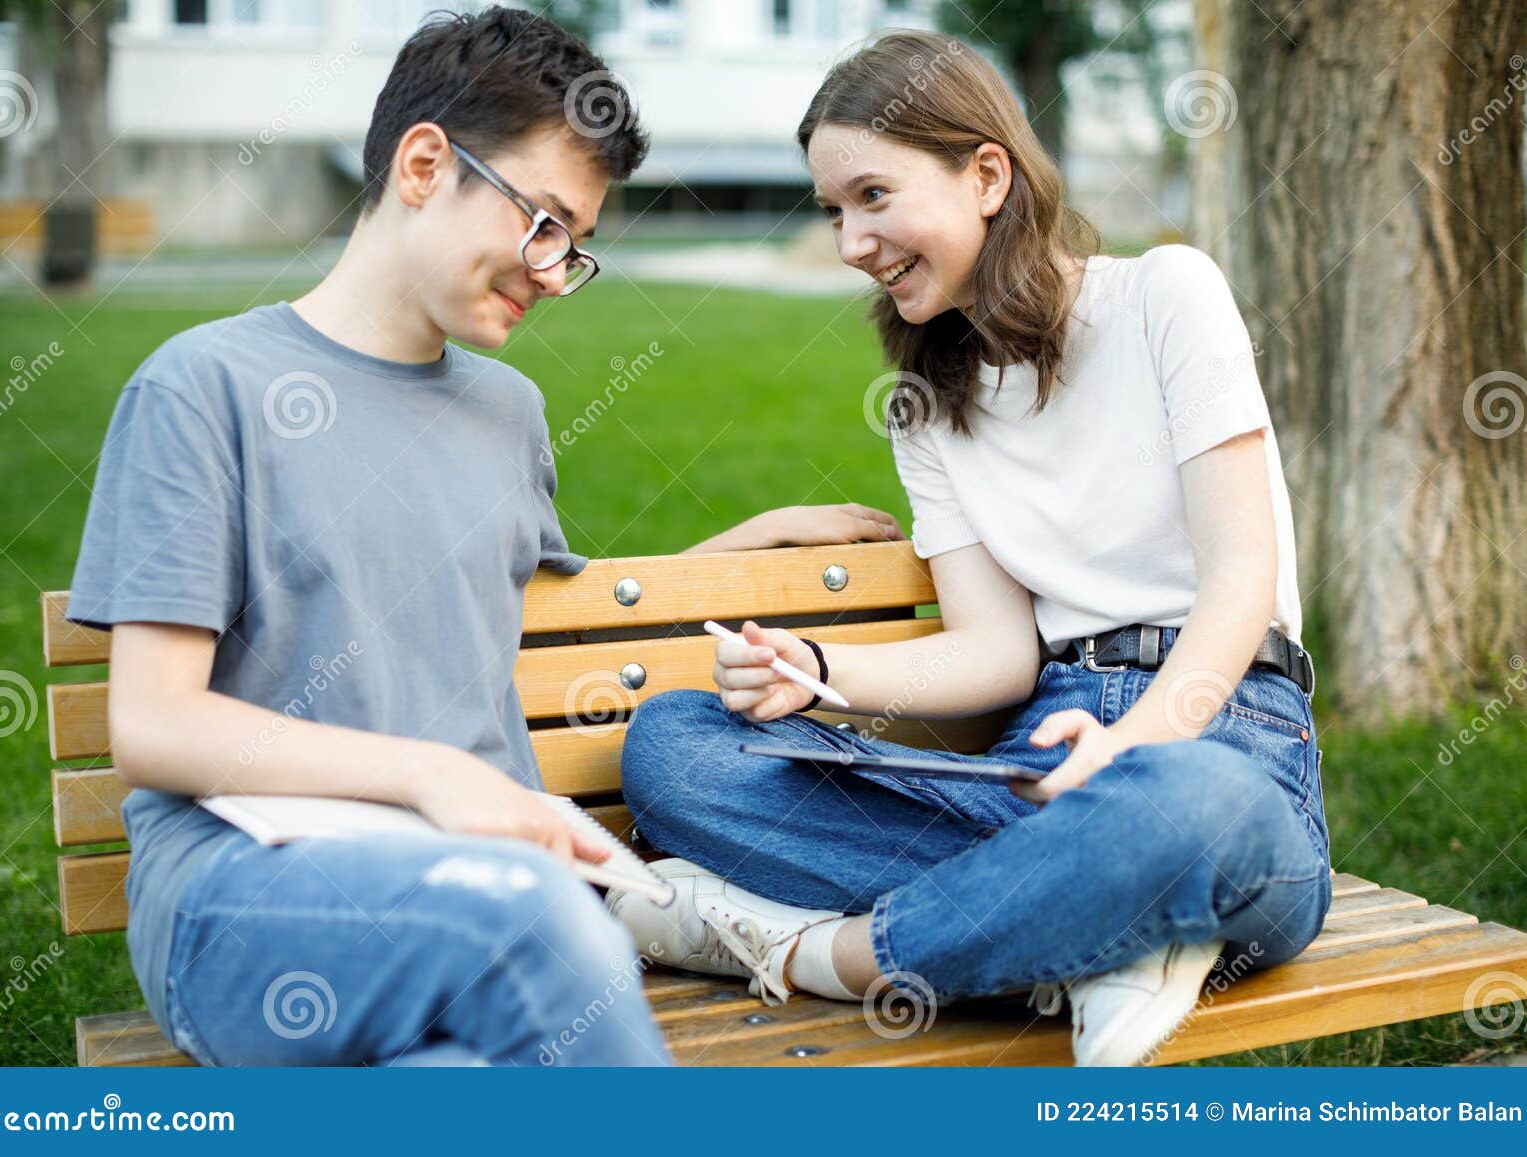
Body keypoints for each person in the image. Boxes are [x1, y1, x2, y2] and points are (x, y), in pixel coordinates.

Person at [65, 7, 899, 1068]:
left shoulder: (506, 411)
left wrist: (753, 544)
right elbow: (152, 721)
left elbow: (519, 609)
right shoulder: (203, 386)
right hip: (252, 889)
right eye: (543, 222)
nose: (554, 272)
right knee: (533, 923)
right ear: (423, 164)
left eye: (578, 247)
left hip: (476, 881)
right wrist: (431, 775)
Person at [606, 30, 1329, 1067]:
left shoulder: (1166, 295)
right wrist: (816, 672)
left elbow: (1240, 581)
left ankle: (826, 952)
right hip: (1032, 764)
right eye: (834, 211)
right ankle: (1099, 918)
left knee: (1182, 810)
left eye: (873, 196)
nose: (852, 239)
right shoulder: (928, 407)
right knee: (674, 745)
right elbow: (995, 651)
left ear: (986, 174)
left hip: (1226, 736)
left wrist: (1128, 750)